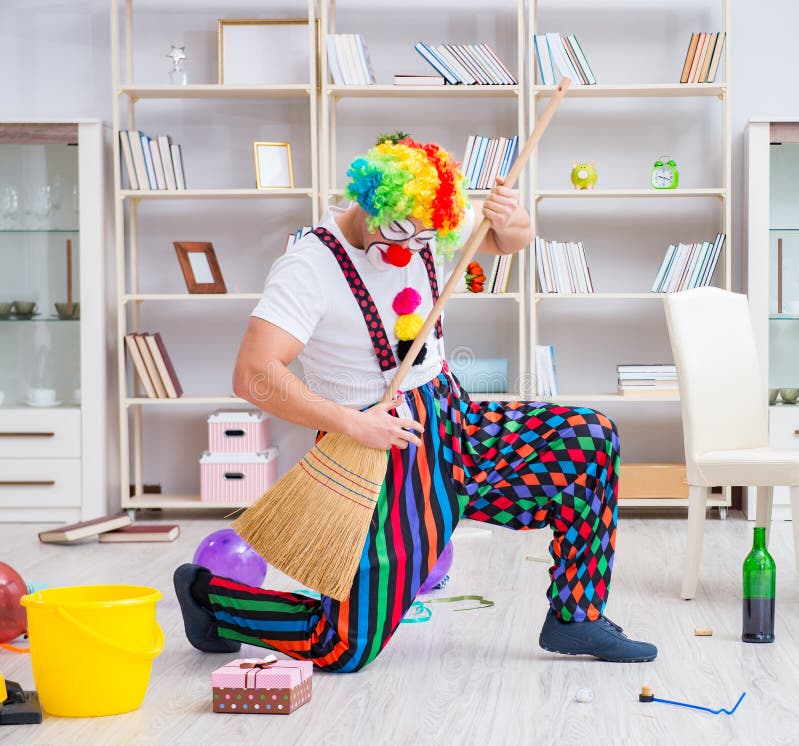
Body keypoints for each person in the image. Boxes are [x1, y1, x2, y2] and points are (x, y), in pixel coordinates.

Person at [174, 134, 657, 670]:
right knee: (345, 647)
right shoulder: (309, 265)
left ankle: (576, 617)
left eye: (427, 236)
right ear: (369, 200)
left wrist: (510, 216)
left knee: (589, 438)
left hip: (453, 419)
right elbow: (253, 375)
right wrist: (350, 425)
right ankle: (209, 600)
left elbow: (511, 239)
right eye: (400, 231)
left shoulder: (426, 219)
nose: (412, 246)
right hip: (379, 451)